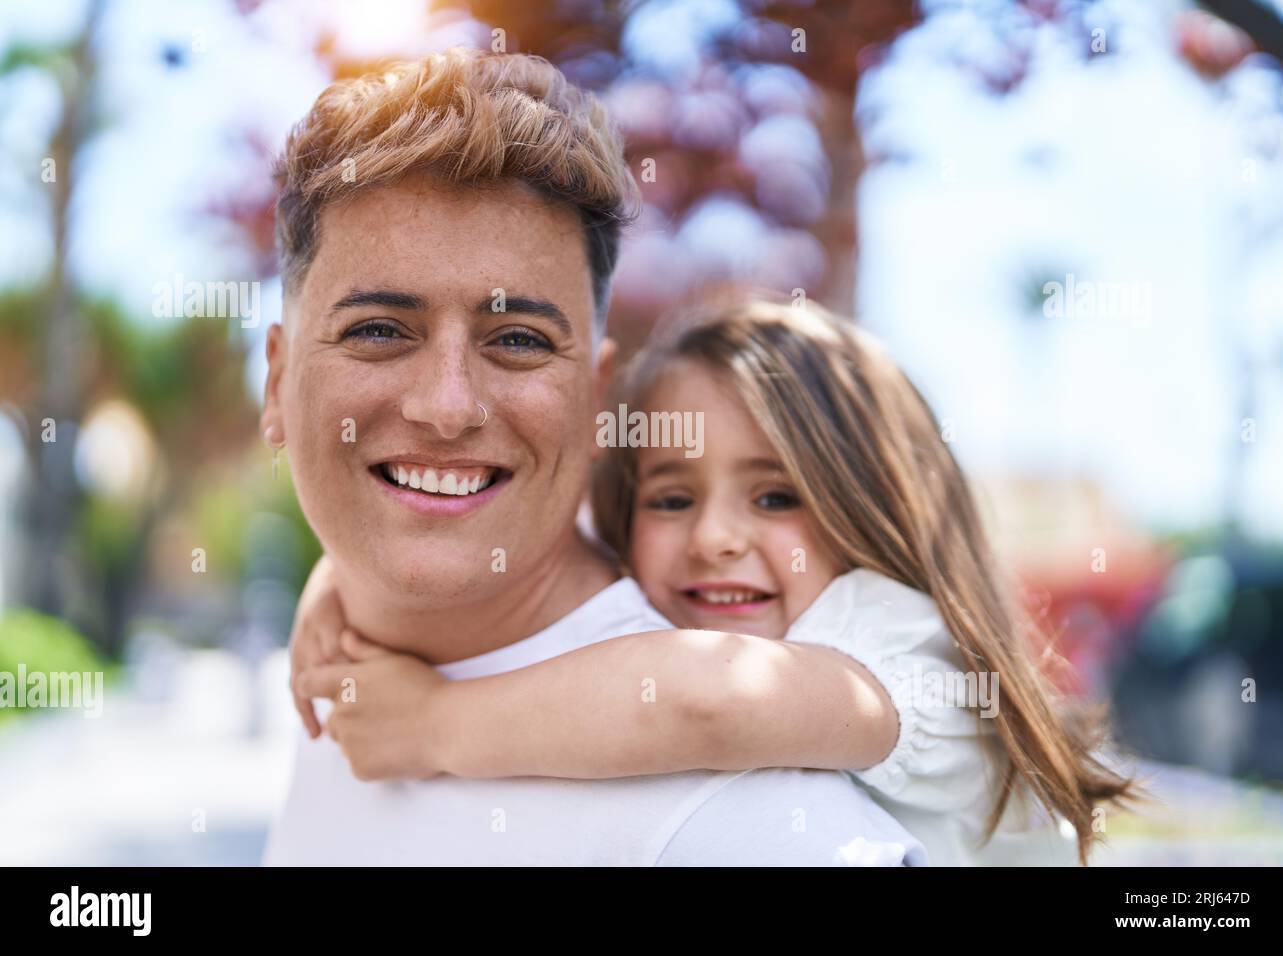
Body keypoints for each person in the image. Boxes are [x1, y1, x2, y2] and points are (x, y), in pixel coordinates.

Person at [259, 48, 926, 866]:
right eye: (378, 330)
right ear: (277, 385)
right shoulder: (342, 677)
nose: (445, 406)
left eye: (517, 340)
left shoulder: (756, 826)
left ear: (595, 402)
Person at [292, 298, 1137, 865]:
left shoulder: (911, 647)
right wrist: (342, 574)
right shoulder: (660, 582)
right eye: (671, 497)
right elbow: (481, 521)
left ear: (876, 506)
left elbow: (710, 700)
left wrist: (434, 726)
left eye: (776, 496)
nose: (715, 538)